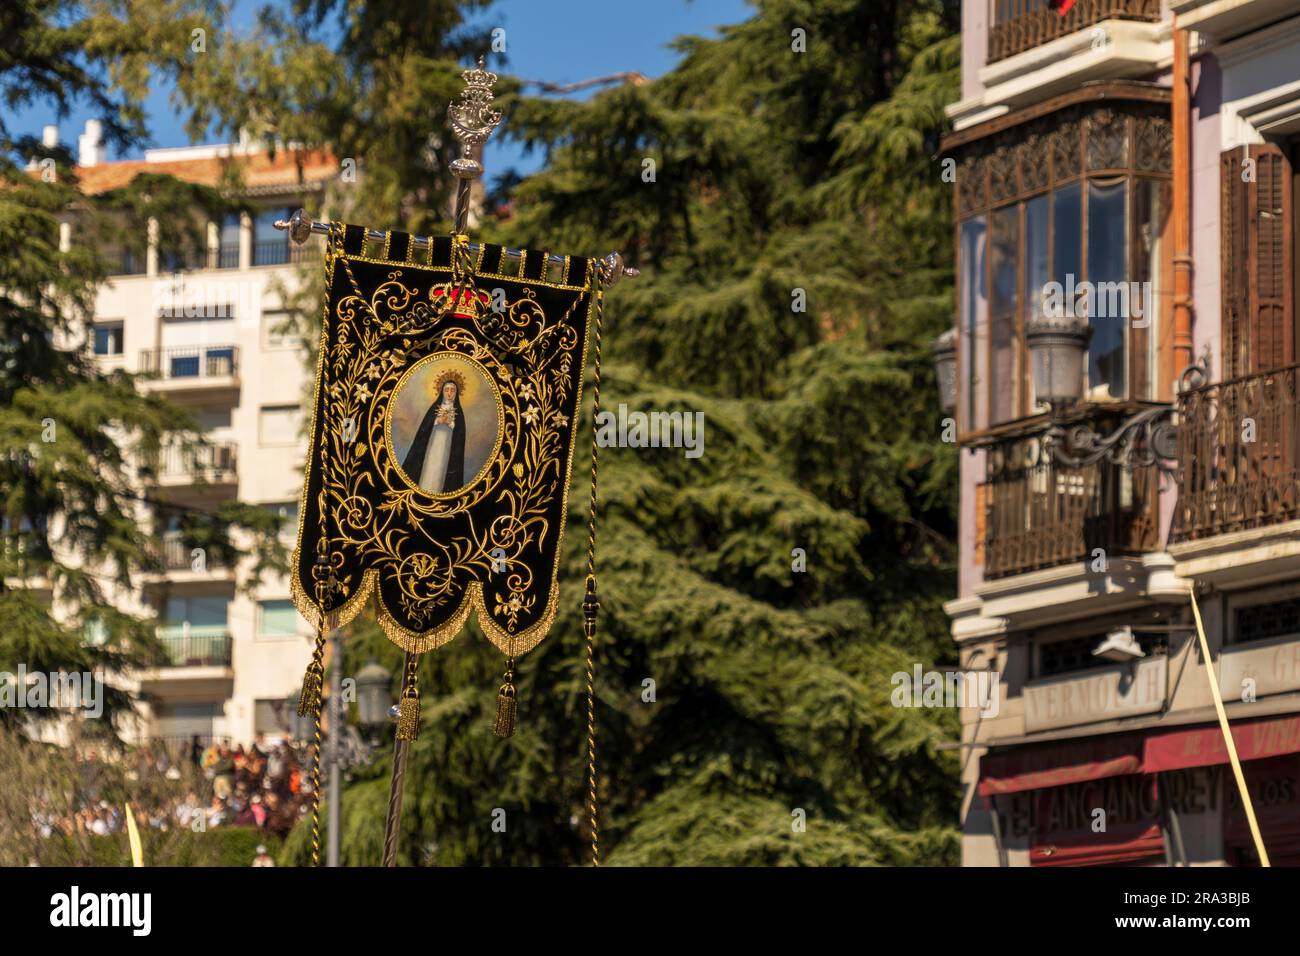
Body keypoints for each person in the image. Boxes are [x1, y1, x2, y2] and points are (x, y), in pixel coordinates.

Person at [402, 371, 467, 493]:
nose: (449, 393)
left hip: (447, 448)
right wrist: (437, 420)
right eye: (447, 390)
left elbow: (460, 434)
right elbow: (424, 428)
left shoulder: (459, 412)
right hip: (431, 446)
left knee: (441, 470)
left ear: (456, 393)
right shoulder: (434, 408)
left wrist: (450, 423)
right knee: (429, 467)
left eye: (452, 390)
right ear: (442, 391)